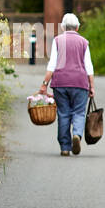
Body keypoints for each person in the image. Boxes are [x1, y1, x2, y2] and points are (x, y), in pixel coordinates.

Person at [36, 12, 94, 156]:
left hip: (60, 83)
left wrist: (44, 84)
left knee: (63, 114)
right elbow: (89, 66)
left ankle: (65, 147)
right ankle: (77, 135)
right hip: (80, 83)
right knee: (79, 112)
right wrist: (91, 86)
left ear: (62, 27)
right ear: (77, 28)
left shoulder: (57, 41)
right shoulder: (84, 42)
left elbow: (52, 65)